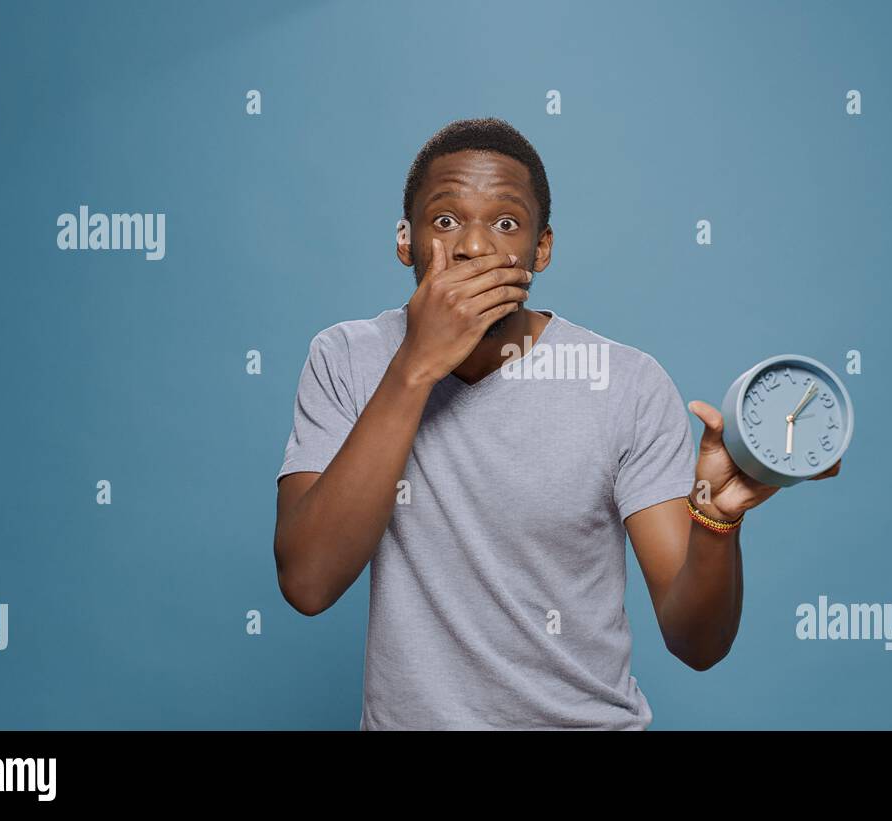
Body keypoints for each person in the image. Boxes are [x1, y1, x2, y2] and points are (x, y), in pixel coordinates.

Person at [273, 117, 840, 730]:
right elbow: (308, 582)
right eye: (445, 221)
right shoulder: (345, 358)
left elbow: (697, 644)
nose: (472, 247)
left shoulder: (625, 381)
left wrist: (716, 521)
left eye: (506, 223)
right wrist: (414, 366)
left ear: (540, 249)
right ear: (405, 241)